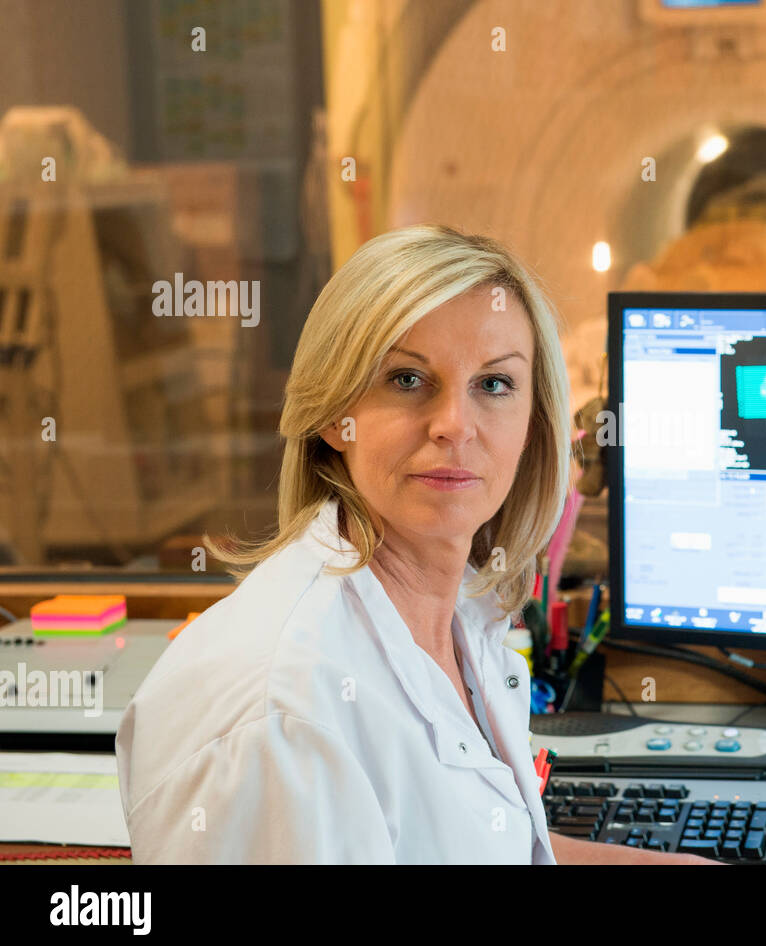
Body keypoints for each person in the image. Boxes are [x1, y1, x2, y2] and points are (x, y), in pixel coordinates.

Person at [116, 224, 719, 864]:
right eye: (407, 380)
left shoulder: (457, 613)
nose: (455, 425)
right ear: (332, 413)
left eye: (494, 384)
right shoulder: (287, 714)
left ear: (534, 423)